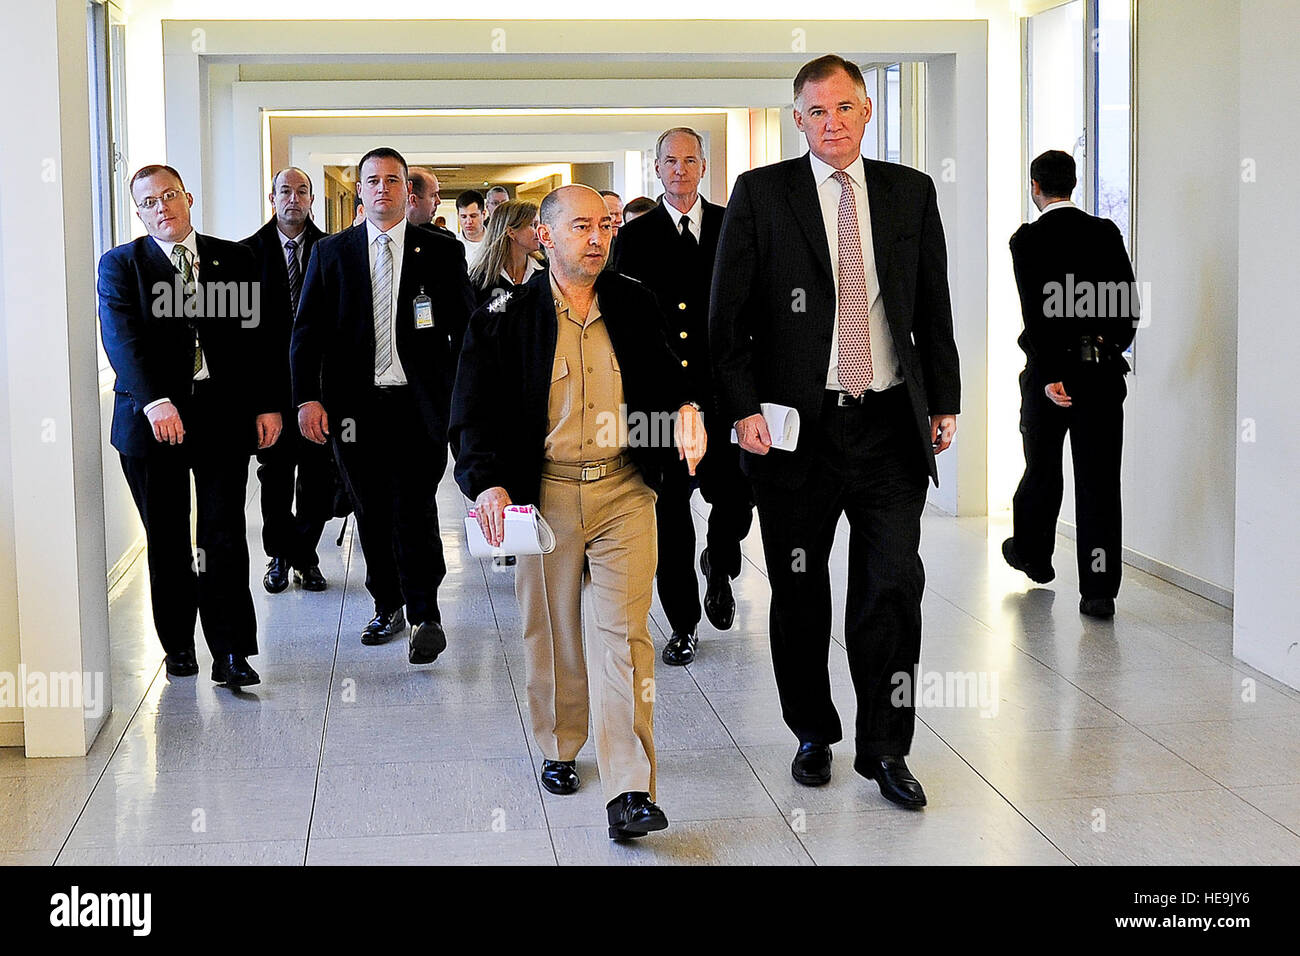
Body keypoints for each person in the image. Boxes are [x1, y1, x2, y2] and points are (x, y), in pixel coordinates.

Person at [710, 55, 961, 809]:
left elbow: (933, 307)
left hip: (887, 426)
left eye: (844, 108)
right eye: (816, 112)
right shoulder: (761, 195)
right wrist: (743, 410)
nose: (832, 123)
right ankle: (814, 730)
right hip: (797, 436)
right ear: (798, 120)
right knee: (798, 587)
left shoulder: (908, 192)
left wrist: (942, 399)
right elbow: (726, 323)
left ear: (866, 111)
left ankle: (886, 750)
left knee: (891, 589)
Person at [449, 185, 707, 840]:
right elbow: (472, 412)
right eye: (580, 226)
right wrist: (486, 485)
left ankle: (629, 789)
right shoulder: (505, 313)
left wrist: (684, 408)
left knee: (625, 636)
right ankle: (562, 743)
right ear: (545, 233)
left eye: (604, 226)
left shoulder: (634, 301)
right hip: (545, 494)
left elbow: (669, 376)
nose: (596, 238)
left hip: (624, 489)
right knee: (554, 629)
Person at [98, 164, 280, 688]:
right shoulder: (122, 266)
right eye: (149, 202)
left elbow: (258, 339)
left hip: (221, 415)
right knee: (170, 537)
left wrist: (268, 404)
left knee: (223, 534)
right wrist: (155, 400)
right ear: (139, 211)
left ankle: (230, 652)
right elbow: (122, 340)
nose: (162, 208)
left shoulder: (236, 258)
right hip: (152, 423)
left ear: (188, 197)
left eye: (169, 196)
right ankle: (178, 644)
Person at [291, 147, 474, 663]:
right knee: (371, 510)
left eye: (393, 181)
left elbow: (465, 331)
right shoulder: (333, 254)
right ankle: (387, 602)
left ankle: (424, 613)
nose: (382, 190)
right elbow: (306, 334)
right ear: (360, 189)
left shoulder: (439, 251)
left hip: (419, 407)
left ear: (407, 191)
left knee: (414, 508)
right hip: (353, 412)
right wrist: (306, 398)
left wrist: (462, 399)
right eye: (372, 180)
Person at [610, 127, 753, 666]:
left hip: (722, 393)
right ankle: (683, 623)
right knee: (669, 515)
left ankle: (720, 561)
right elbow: (625, 321)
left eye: (689, 161)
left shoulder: (730, 224)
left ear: (704, 166)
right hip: (659, 402)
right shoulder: (637, 235)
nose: (679, 170)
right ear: (657, 168)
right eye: (669, 161)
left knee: (735, 494)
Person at [1003, 149, 1138, 619]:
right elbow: (1127, 308)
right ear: (1074, 185)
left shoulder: (1027, 240)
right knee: (1099, 481)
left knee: (1041, 467)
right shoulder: (1105, 233)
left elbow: (1036, 313)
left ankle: (1032, 554)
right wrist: (1101, 351)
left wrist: (1052, 373)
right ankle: (1099, 591)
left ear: (1035, 187)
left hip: (1048, 377)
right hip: (1101, 375)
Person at [242, 167, 333, 595]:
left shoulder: (332, 250)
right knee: (275, 479)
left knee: (317, 480)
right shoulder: (245, 255)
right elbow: (240, 338)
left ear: (311, 199)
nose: (293, 198)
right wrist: (260, 402)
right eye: (285, 191)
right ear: (271, 198)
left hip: (319, 391)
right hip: (270, 393)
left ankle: (305, 556)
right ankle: (278, 556)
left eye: (301, 191)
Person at [467, 198, 544, 307]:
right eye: (532, 225)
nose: (539, 231)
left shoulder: (546, 270)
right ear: (511, 232)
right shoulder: (480, 278)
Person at [456, 189, 487, 262]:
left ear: (484, 215)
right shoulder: (452, 245)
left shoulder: (498, 243)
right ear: (458, 216)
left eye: (473, 216)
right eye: (463, 217)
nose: (468, 222)